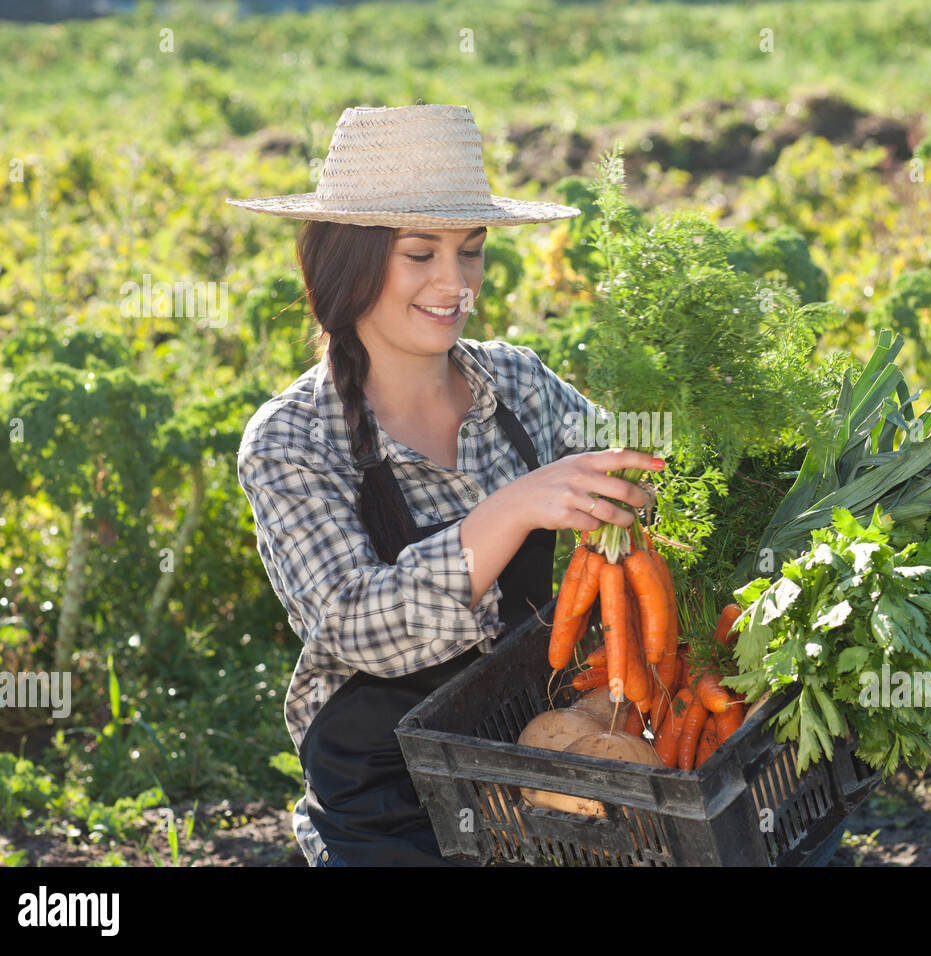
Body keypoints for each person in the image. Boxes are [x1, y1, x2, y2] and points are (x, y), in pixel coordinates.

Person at [227, 104, 662, 866]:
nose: (454, 282)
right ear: (347, 260)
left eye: (470, 251)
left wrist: (650, 483)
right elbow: (355, 625)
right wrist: (510, 510)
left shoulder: (521, 385)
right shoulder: (293, 439)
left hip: (536, 767)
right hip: (389, 804)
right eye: (420, 254)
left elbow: (645, 476)